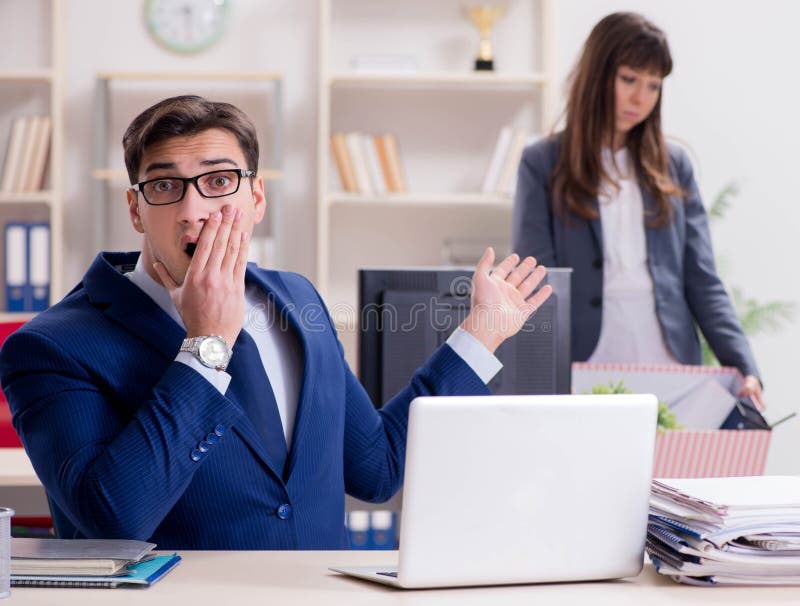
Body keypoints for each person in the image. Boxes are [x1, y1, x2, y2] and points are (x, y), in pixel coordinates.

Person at [0, 95, 551, 549]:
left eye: (218, 181)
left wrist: (482, 334)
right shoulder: (50, 347)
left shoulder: (296, 298)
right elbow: (111, 524)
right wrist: (206, 343)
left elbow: (377, 468)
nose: (193, 210)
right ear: (135, 209)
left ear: (256, 197)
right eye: (165, 186)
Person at [512, 12, 764, 407]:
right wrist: (547, 371)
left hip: (668, 362)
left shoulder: (674, 164)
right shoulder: (542, 163)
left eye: (653, 85)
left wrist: (744, 367)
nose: (640, 98)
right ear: (597, 76)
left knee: (666, 469)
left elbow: (702, 279)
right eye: (629, 79)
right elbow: (539, 285)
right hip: (585, 362)